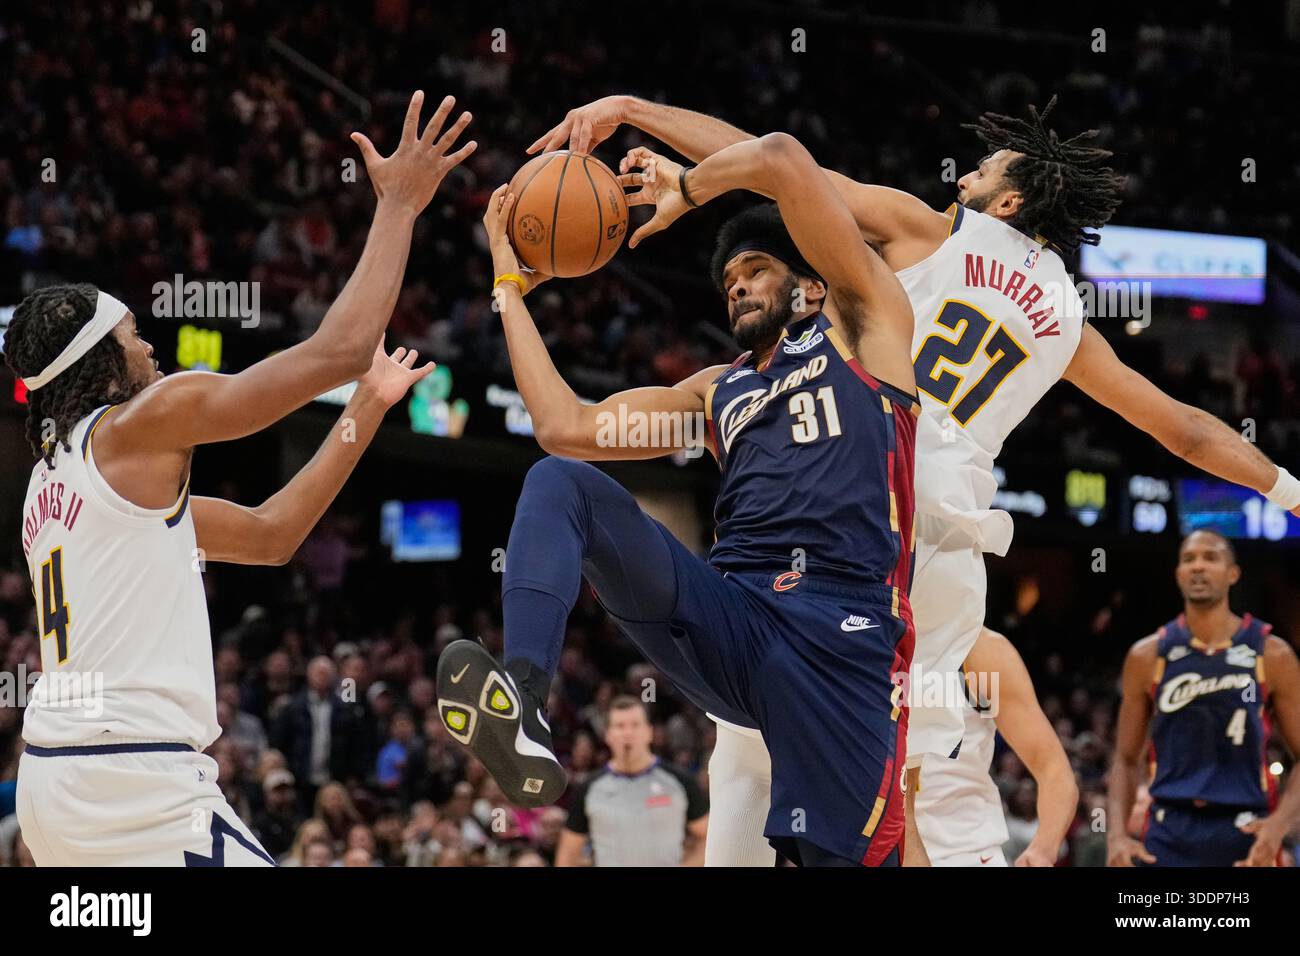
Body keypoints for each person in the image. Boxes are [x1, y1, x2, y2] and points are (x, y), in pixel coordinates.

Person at [531, 94, 1300, 865]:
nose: (961, 176)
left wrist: (660, 139)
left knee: (752, 747)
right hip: (954, 546)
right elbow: (1184, 429)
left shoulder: (932, 230)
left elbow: (784, 168)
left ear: (1007, 200)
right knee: (896, 782)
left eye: (982, 169)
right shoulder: (1069, 318)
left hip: (856, 497)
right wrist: (1290, 492)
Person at [5, 90, 473, 865]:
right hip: (136, 781)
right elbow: (338, 347)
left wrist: (364, 408)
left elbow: (270, 536)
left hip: (55, 787)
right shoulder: (140, 424)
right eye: (132, 335)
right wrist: (398, 206)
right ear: (99, 362)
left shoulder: (52, 486)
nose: (149, 347)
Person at [438, 129, 919, 866]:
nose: (737, 287)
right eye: (729, 280)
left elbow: (786, 158)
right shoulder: (713, 391)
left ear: (813, 284)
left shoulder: (863, 327)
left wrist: (689, 188)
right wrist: (508, 285)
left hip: (841, 630)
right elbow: (564, 426)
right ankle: (526, 701)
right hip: (735, 616)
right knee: (561, 482)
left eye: (755, 271)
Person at [1108, 530, 1300, 866]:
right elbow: (1125, 760)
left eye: (1210, 558)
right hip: (1168, 830)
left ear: (1233, 574)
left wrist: (1277, 827)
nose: (1198, 567)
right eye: (1189, 559)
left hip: (1248, 830)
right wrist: (1116, 837)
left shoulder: (1271, 653)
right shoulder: (1148, 655)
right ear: (1178, 574)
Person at [914, 627, 1076, 867]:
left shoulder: (981, 648)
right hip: (872, 848)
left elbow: (1053, 768)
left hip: (965, 851)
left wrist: (1043, 848)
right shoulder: (858, 636)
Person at [555, 696, 708, 867]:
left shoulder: (680, 781)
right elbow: (568, 854)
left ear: (649, 732)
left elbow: (708, 838)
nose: (628, 733)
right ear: (608, 735)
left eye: (635, 725)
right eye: (620, 726)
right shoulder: (588, 789)